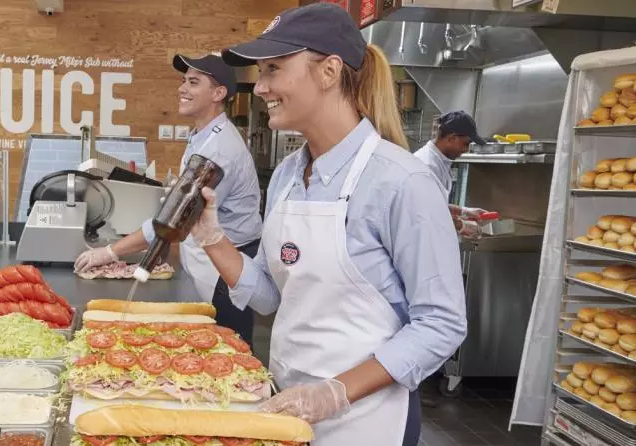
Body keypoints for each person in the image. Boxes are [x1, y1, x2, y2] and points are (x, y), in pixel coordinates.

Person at [189, 4, 467, 445]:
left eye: (274, 69)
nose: (260, 87)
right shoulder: (285, 175)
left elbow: (441, 324)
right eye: (260, 73)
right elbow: (269, 295)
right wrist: (212, 237)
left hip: (368, 418)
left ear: (329, 71)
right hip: (288, 404)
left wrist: (336, 392)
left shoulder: (401, 182)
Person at [74, 53, 263, 345]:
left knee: (229, 349)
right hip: (209, 261)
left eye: (193, 82)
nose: (182, 88)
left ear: (218, 93)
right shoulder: (204, 136)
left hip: (229, 267)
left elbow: (173, 220)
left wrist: (109, 253)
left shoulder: (220, 149)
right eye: (183, 81)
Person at [414, 111, 492, 238]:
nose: (466, 149)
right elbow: (428, 213)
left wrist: (464, 211)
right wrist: (462, 225)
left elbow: (436, 205)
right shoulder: (428, 166)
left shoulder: (438, 161)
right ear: (452, 138)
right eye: (465, 143)